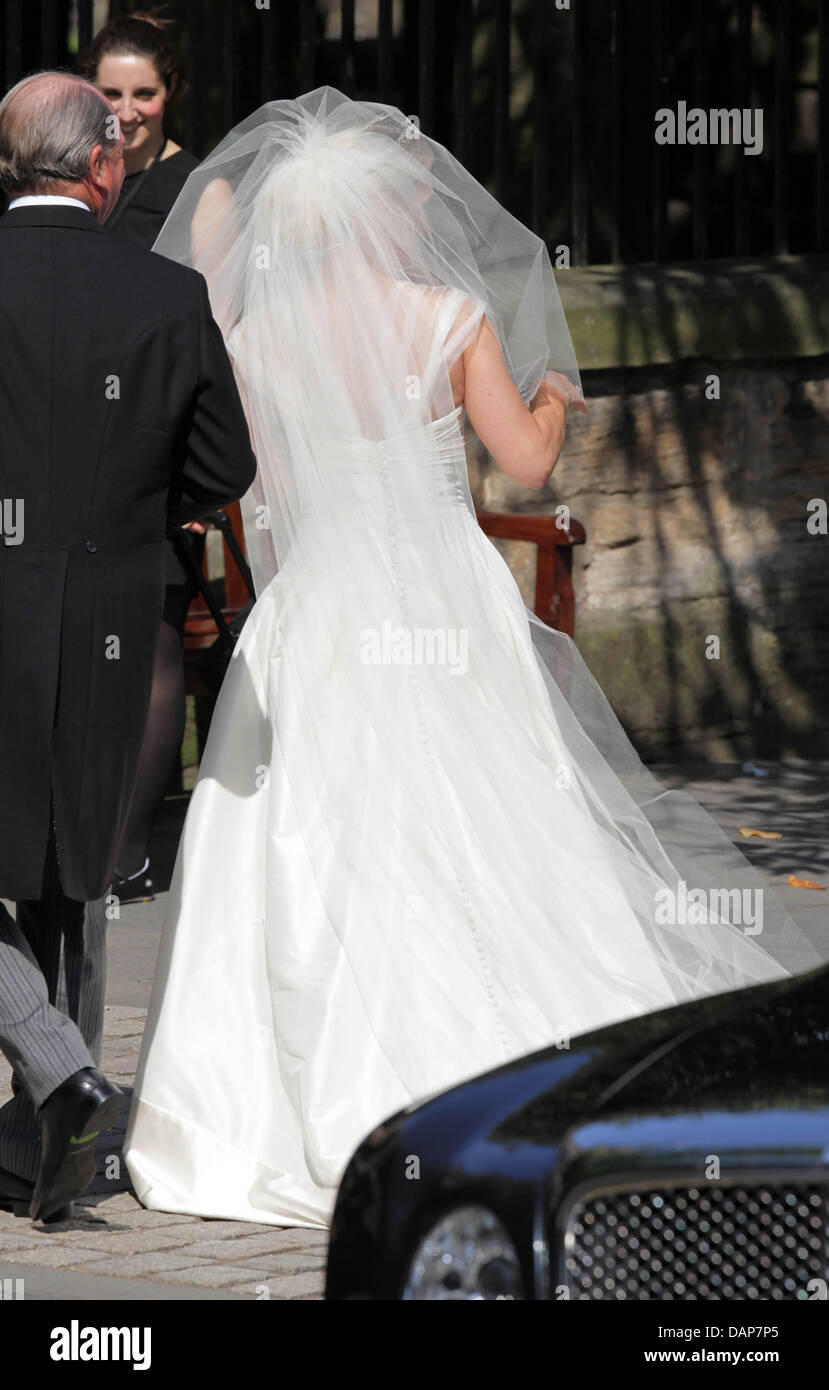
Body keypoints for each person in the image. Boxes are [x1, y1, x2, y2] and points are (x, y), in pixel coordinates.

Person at [124, 88, 821, 1230]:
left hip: (318, 611)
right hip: (439, 600)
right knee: (490, 822)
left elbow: (255, 489)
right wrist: (553, 396)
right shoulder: (446, 317)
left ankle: (258, 1107)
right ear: (378, 219)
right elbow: (528, 463)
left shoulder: (252, 336)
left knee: (308, 838)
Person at [0, 71, 256, 1222]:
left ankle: (53, 1099)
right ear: (103, 165)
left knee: (61, 868)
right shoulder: (165, 291)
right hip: (112, 612)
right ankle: (62, 1104)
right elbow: (224, 465)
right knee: (74, 873)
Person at [81, 11, 203, 903]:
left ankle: (126, 850)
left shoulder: (197, 189)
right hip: (69, 436)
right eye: (110, 93)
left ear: (171, 95)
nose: (125, 112)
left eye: (143, 93)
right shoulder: (78, 175)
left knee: (158, 642)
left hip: (154, 436)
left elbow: (214, 331)